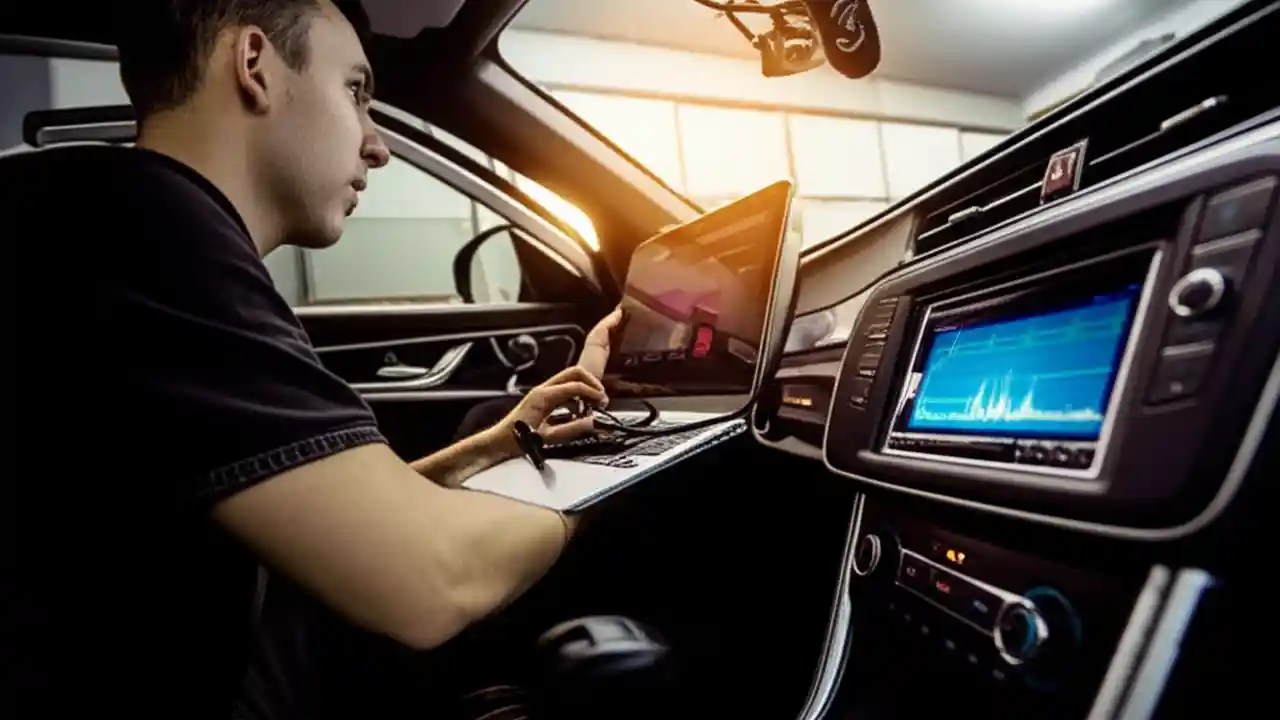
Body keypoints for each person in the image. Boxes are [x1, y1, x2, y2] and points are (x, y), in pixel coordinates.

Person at [5, 1, 621, 717]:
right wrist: (607, 479)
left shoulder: (99, 215)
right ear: (254, 65)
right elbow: (431, 583)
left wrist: (488, 448)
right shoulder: (143, 227)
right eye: (356, 92)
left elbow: (309, 524)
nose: (377, 145)